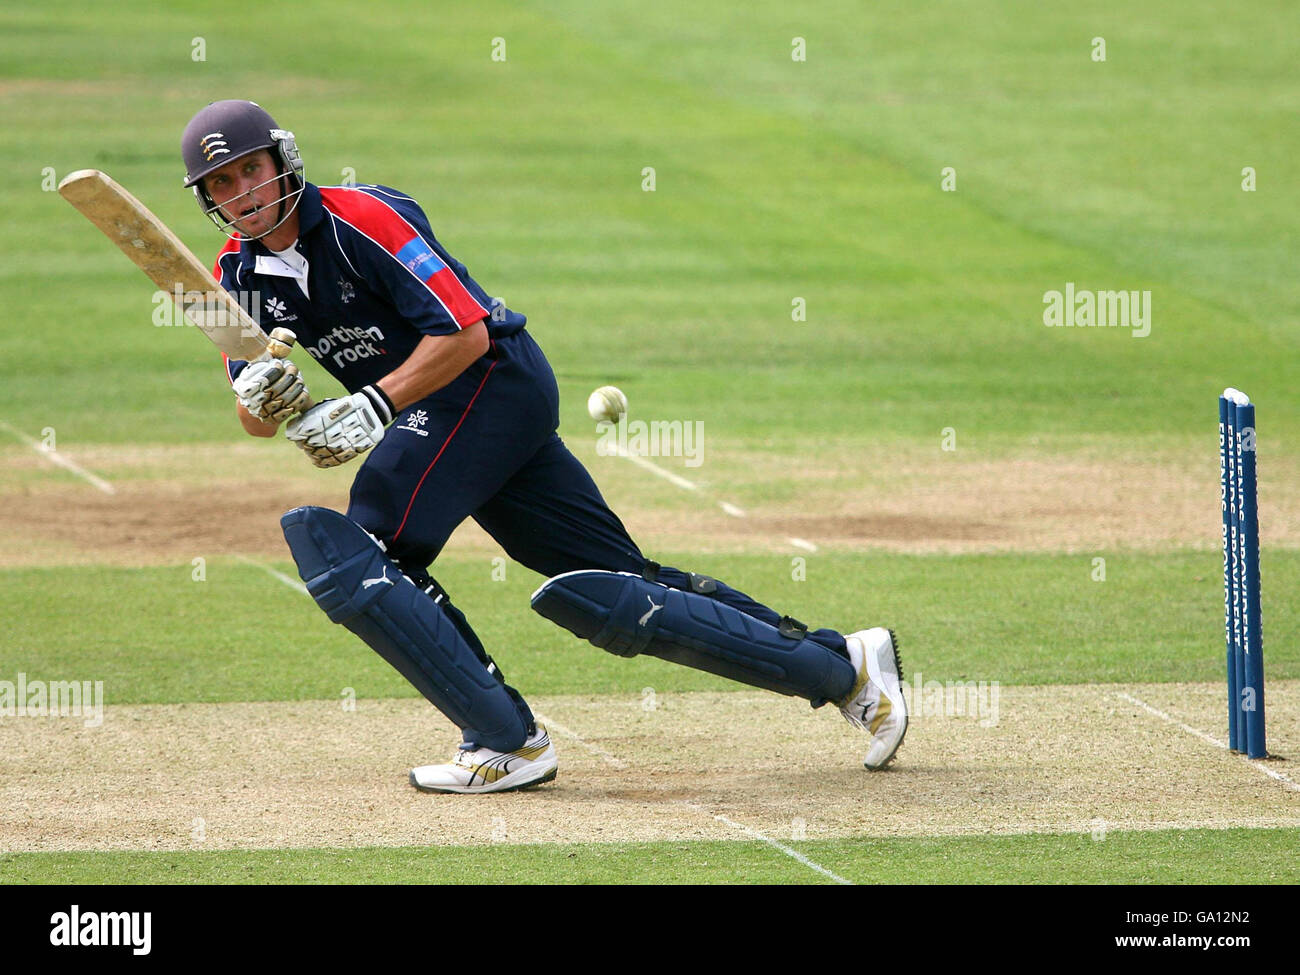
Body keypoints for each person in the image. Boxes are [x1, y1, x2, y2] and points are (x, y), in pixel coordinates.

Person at [181, 99, 908, 794]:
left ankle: (505, 742)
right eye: (222, 182)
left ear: (283, 159)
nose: (243, 191)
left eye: (251, 168)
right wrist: (261, 399)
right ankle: (842, 666)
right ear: (209, 198)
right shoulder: (232, 275)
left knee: (369, 542)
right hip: (446, 413)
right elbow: (254, 415)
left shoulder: (362, 217)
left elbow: (463, 330)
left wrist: (374, 402)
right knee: (616, 582)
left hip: (489, 384)